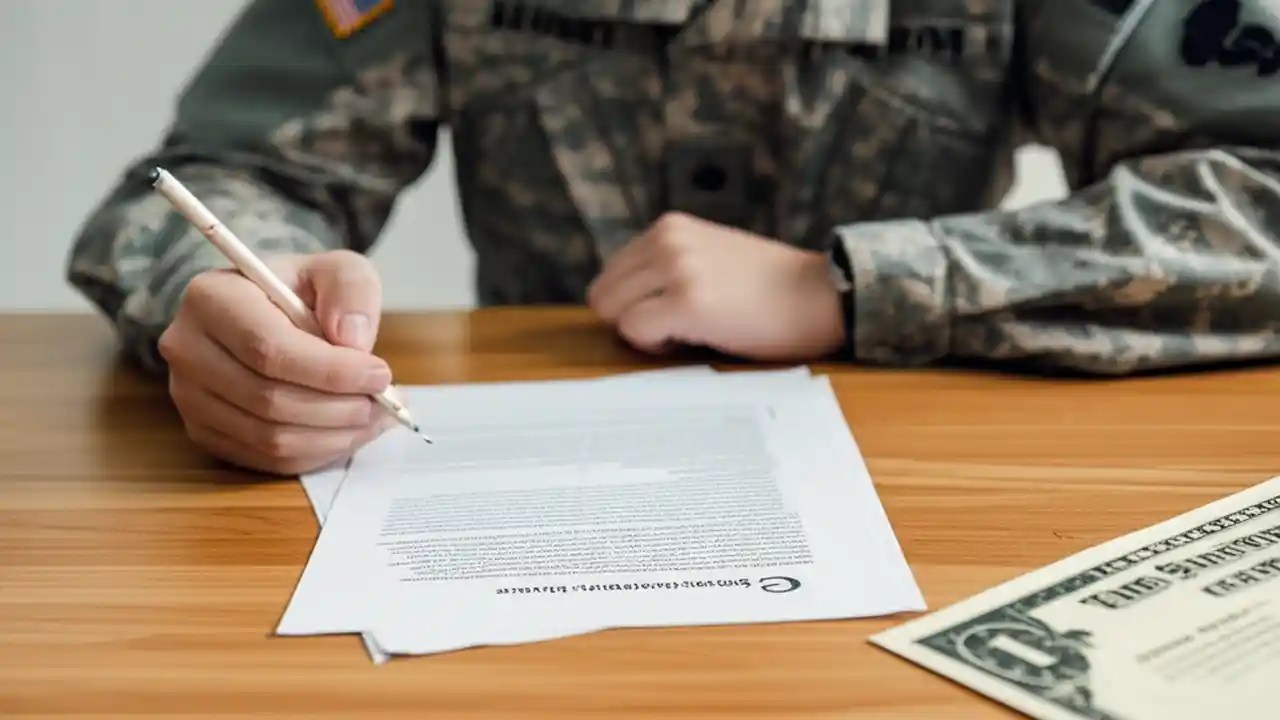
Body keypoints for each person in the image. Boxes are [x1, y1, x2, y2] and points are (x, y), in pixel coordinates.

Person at [65, 0, 1280, 474]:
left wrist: (854, 286)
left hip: (923, 500)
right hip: (518, 514)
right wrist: (231, 306)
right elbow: (217, 183)